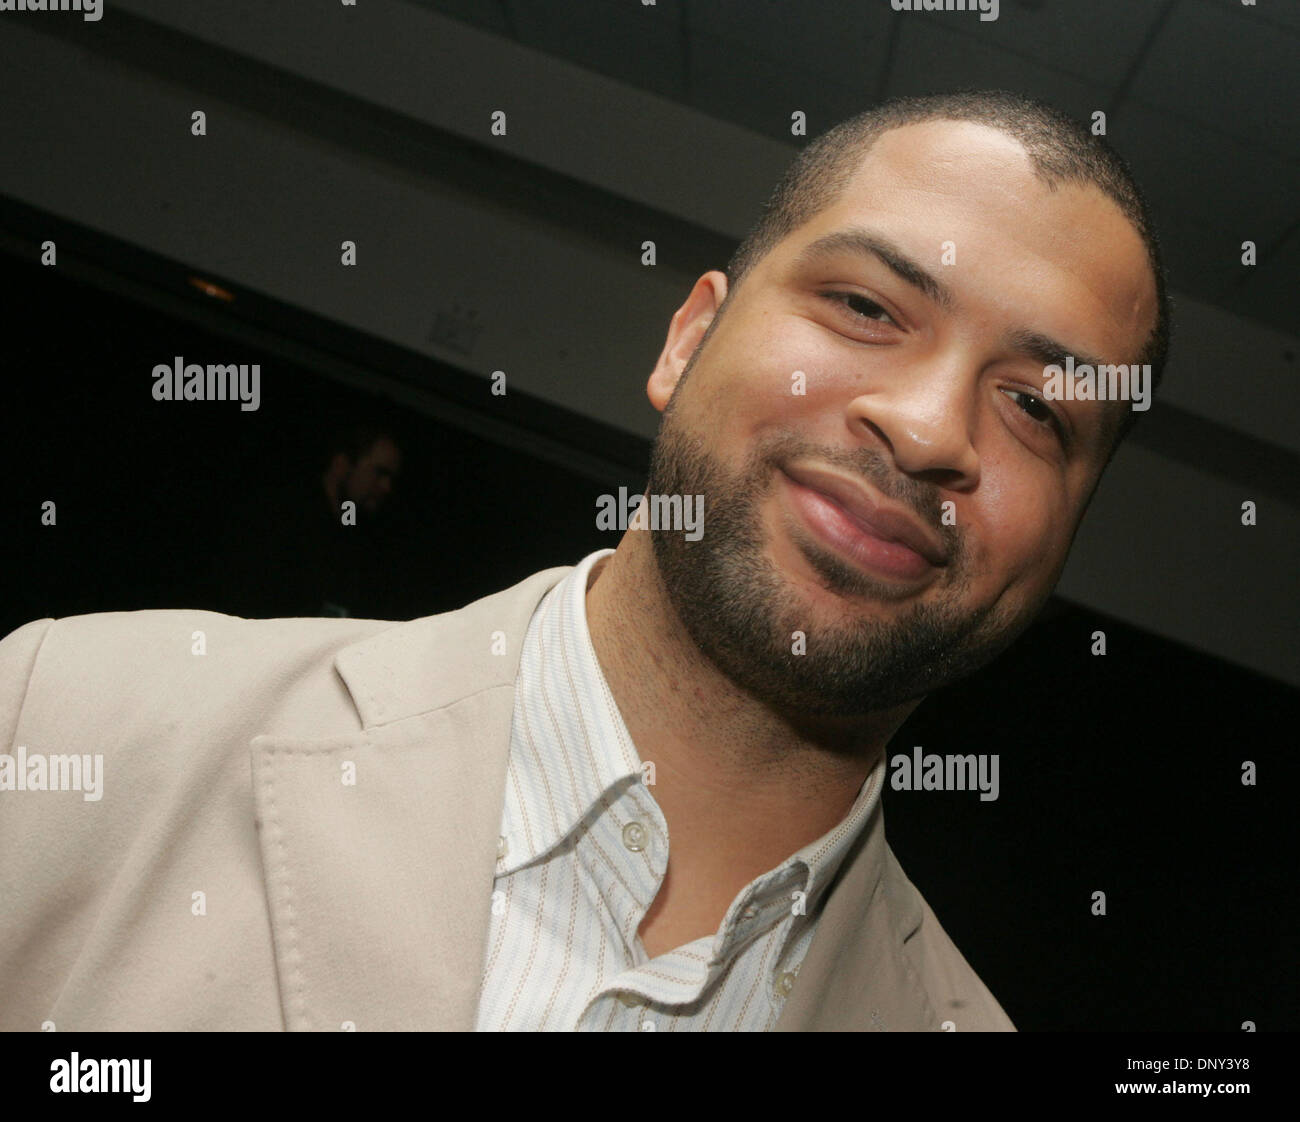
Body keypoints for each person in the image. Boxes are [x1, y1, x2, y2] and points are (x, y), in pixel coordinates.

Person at [0, 90, 1168, 1031]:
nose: (925, 429)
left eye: (1035, 407)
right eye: (864, 305)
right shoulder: (63, 726)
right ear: (688, 339)